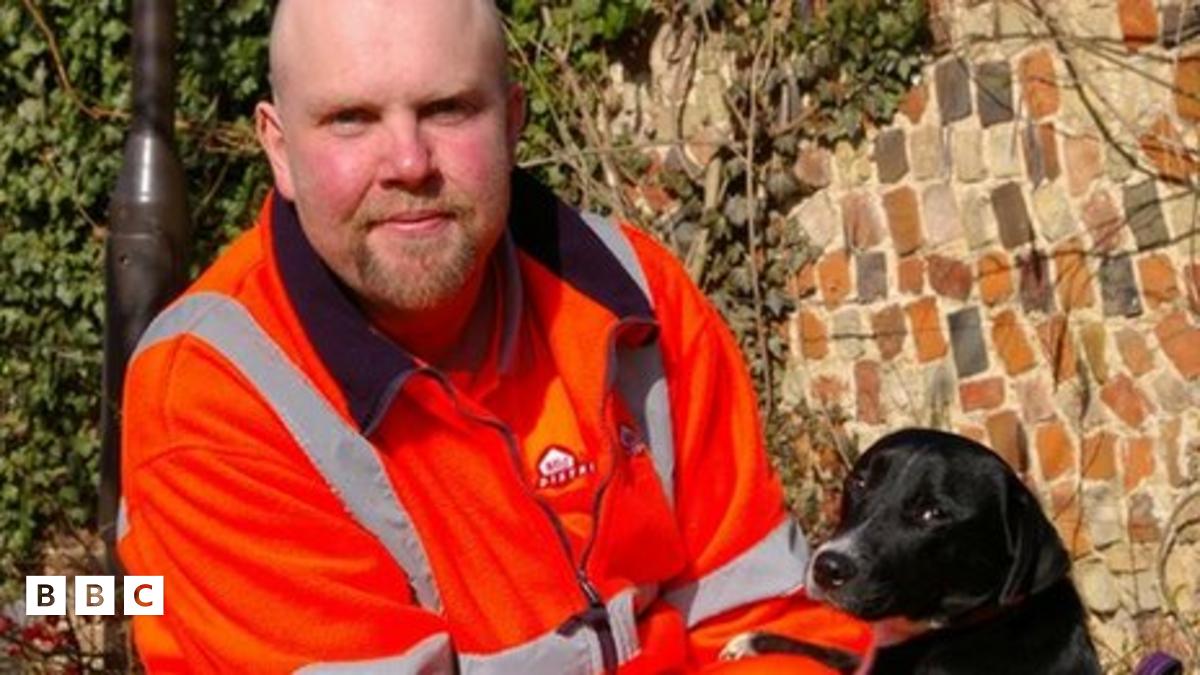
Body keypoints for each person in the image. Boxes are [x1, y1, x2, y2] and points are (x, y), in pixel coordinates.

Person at [117, 0, 871, 672]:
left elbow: (769, 623)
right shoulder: (213, 391)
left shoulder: (637, 299)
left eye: (447, 109)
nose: (409, 163)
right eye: (351, 118)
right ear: (278, 148)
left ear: (511, 122)